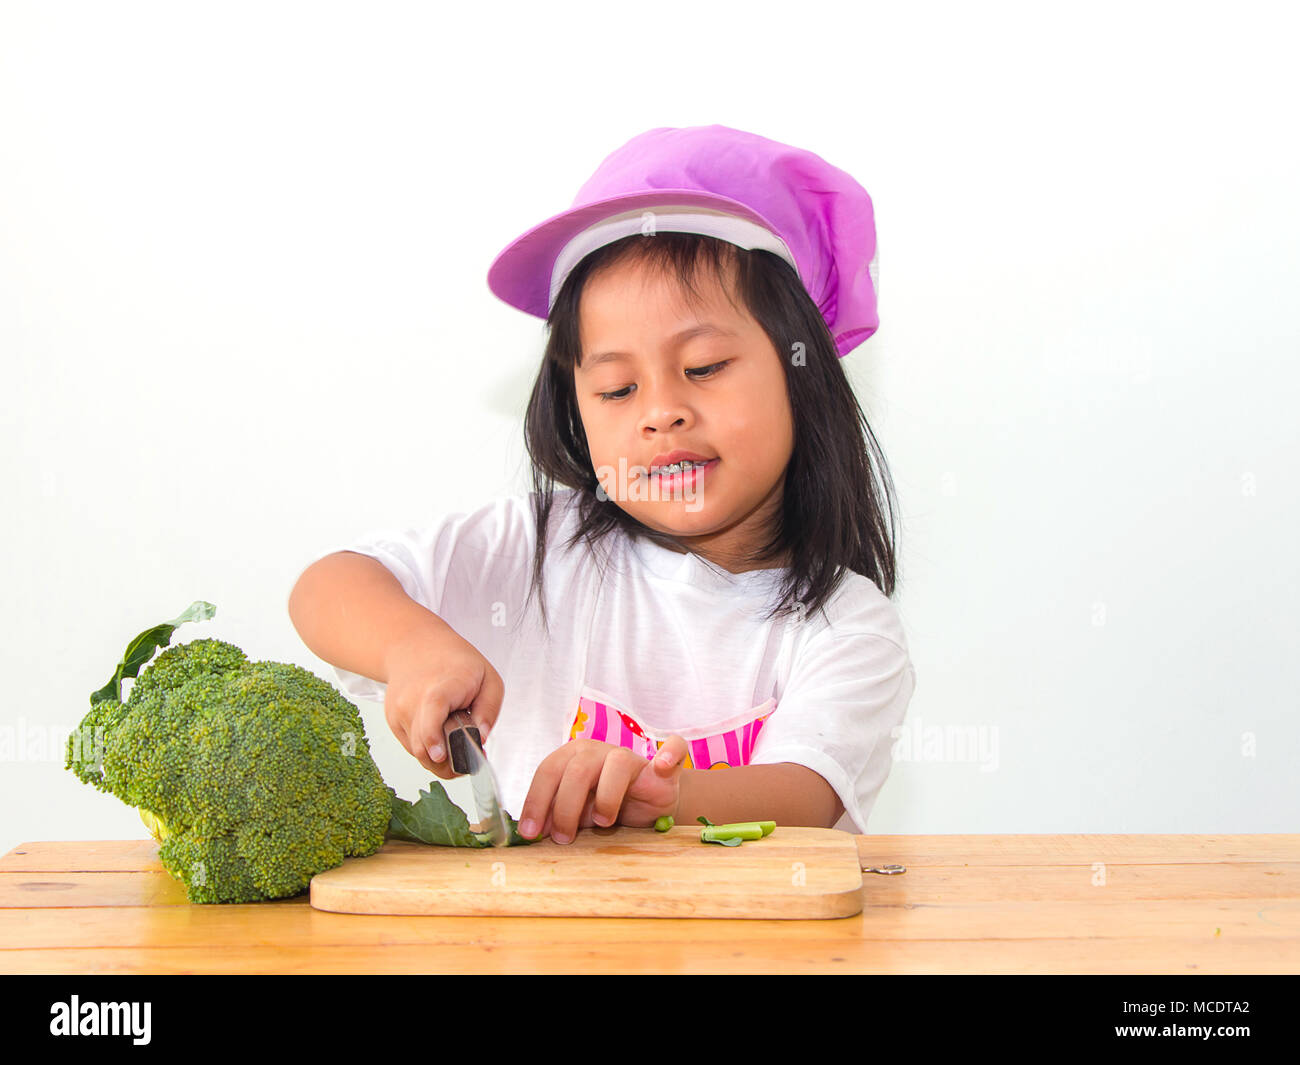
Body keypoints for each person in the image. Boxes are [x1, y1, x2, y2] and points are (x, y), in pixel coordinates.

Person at [288, 124, 916, 844]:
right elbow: (329, 585)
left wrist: (659, 795)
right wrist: (409, 649)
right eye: (618, 389)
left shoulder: (848, 625)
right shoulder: (535, 550)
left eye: (705, 366)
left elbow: (807, 792)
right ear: (576, 411)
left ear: (802, 376)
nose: (661, 412)